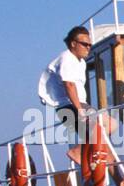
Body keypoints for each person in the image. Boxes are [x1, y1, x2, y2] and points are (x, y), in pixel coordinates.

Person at [37, 26, 92, 162]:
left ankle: (119, 174)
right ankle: (77, 152)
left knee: (102, 141)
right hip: (69, 106)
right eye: (85, 44)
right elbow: (69, 85)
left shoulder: (81, 63)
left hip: (77, 105)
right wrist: (80, 110)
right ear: (73, 44)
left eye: (90, 45)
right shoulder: (67, 58)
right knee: (108, 125)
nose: (88, 48)